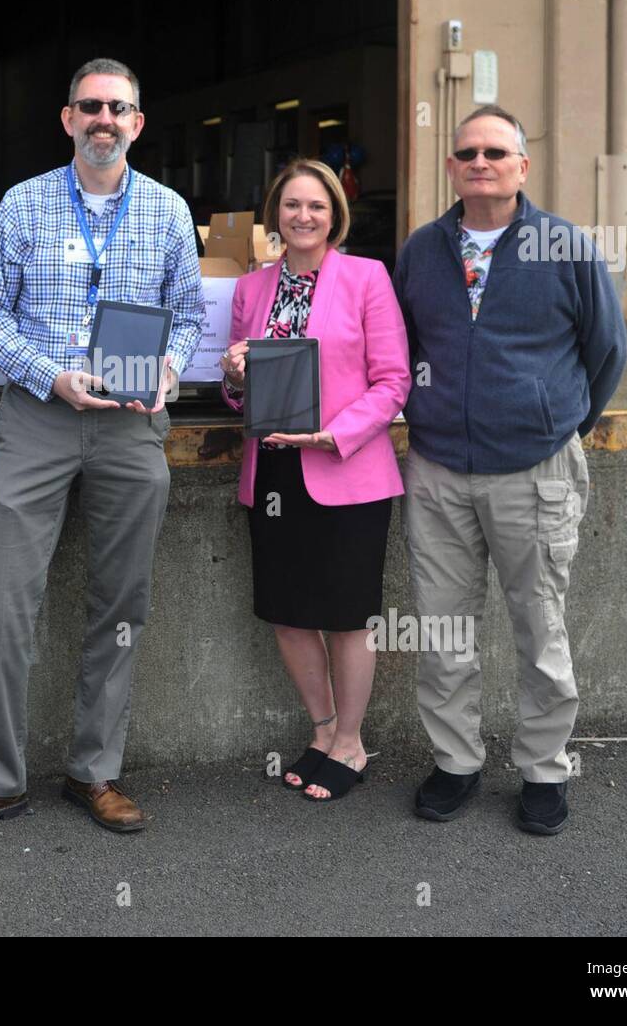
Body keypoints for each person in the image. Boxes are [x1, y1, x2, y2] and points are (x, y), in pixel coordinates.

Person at [0, 57, 205, 839]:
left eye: (118, 107)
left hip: (130, 422)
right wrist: (52, 377)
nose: (104, 119)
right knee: (2, 597)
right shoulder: (22, 204)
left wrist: (171, 369)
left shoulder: (169, 211)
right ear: (67, 118)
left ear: (138, 122)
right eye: (90, 106)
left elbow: (186, 313)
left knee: (122, 604)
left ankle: (96, 770)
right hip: (39, 417)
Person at [392, 103, 627, 835]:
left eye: (497, 151)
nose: (481, 162)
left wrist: (556, 424)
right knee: (442, 627)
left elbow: (607, 351)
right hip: (437, 472)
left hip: (535, 470)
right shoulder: (422, 251)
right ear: (453, 167)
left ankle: (543, 769)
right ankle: (457, 760)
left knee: (539, 625)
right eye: (468, 153)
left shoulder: (566, 248)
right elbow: (399, 349)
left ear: (523, 166)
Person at [220, 159, 410, 802]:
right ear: (275, 213)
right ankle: (323, 730)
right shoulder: (251, 289)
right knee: (288, 612)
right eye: (292, 205)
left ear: (336, 215)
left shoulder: (367, 278)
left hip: (345, 466)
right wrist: (236, 378)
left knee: (347, 615)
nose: (304, 217)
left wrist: (337, 434)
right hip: (272, 468)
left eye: (317, 207)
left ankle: (352, 742)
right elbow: (235, 393)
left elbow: (394, 381)